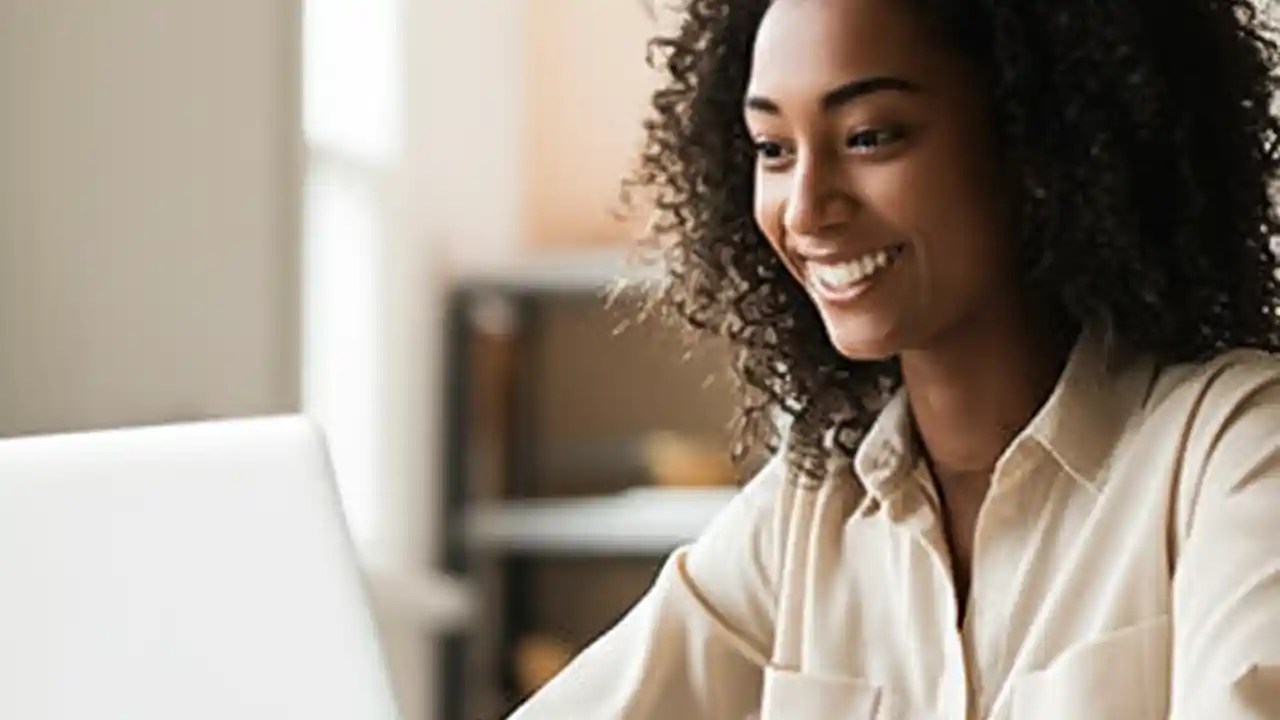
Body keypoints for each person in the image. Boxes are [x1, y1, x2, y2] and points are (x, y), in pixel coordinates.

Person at [511, 0, 1280, 717]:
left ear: (1037, 138)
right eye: (774, 149)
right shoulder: (809, 510)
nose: (806, 208)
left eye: (869, 136)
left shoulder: (1234, 451)